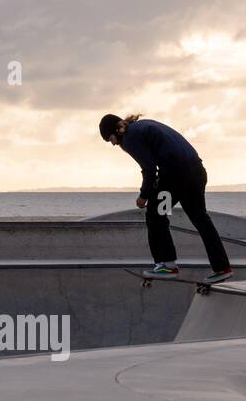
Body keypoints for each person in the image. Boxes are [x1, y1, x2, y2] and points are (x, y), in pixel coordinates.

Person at [98, 113, 232, 283]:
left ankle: (167, 265)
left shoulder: (130, 136)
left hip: (174, 177)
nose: (114, 144)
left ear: (117, 131)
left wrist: (144, 195)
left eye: (111, 140)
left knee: (156, 215)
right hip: (196, 173)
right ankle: (222, 267)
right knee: (200, 219)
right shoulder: (144, 125)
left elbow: (149, 168)